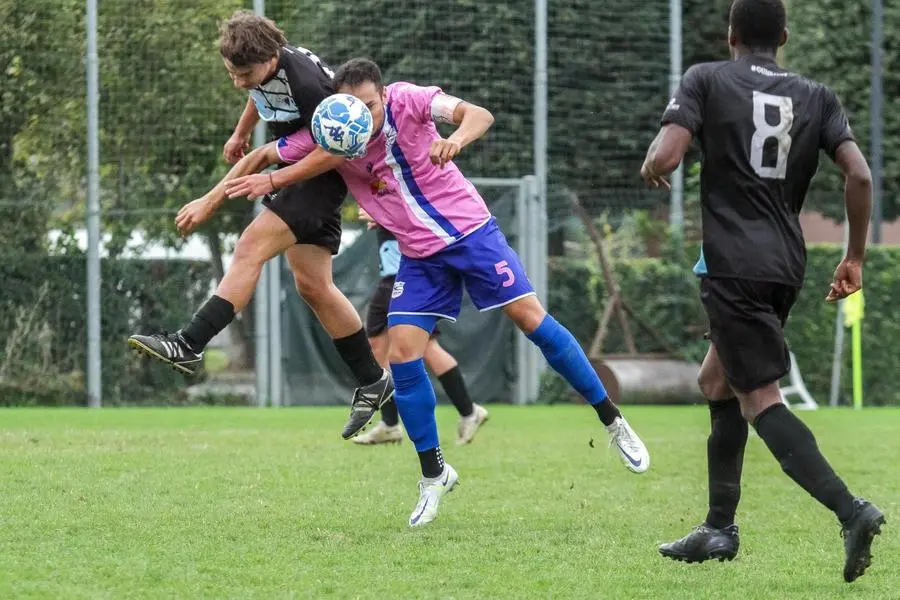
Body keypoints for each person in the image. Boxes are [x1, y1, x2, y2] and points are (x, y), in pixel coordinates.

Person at [221, 58, 650, 528]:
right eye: (354, 110)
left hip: (471, 233)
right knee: (404, 355)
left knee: (530, 320)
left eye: (370, 106)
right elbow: (277, 154)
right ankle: (434, 475)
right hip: (420, 256)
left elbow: (478, 114)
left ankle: (613, 421)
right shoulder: (335, 132)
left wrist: (456, 139)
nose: (364, 119)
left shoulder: (411, 100)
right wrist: (254, 176)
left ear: (383, 95)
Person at [640, 0, 883, 582]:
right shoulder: (819, 97)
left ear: (730, 35)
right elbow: (860, 175)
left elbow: (666, 154)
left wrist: (655, 161)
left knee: (759, 398)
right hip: (785, 264)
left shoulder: (705, 78)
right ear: (785, 37)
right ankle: (718, 528)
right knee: (715, 380)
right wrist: (852, 256)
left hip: (731, 265)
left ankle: (852, 512)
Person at [126, 12, 392, 439]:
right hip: (301, 171)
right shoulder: (268, 71)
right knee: (314, 286)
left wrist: (211, 200)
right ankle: (374, 380)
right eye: (231, 73)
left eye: (244, 73)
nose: (238, 81)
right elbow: (260, 96)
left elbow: (340, 149)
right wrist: (240, 132)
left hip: (319, 175)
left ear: (271, 57)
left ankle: (188, 343)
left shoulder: (308, 86)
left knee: (249, 246)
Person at [354, 210, 489, 446]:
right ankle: (392, 424)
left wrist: (384, 215)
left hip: (405, 277)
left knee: (420, 348)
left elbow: (417, 214)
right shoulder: (387, 185)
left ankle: (467, 412)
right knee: (385, 349)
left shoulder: (410, 186)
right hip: (398, 277)